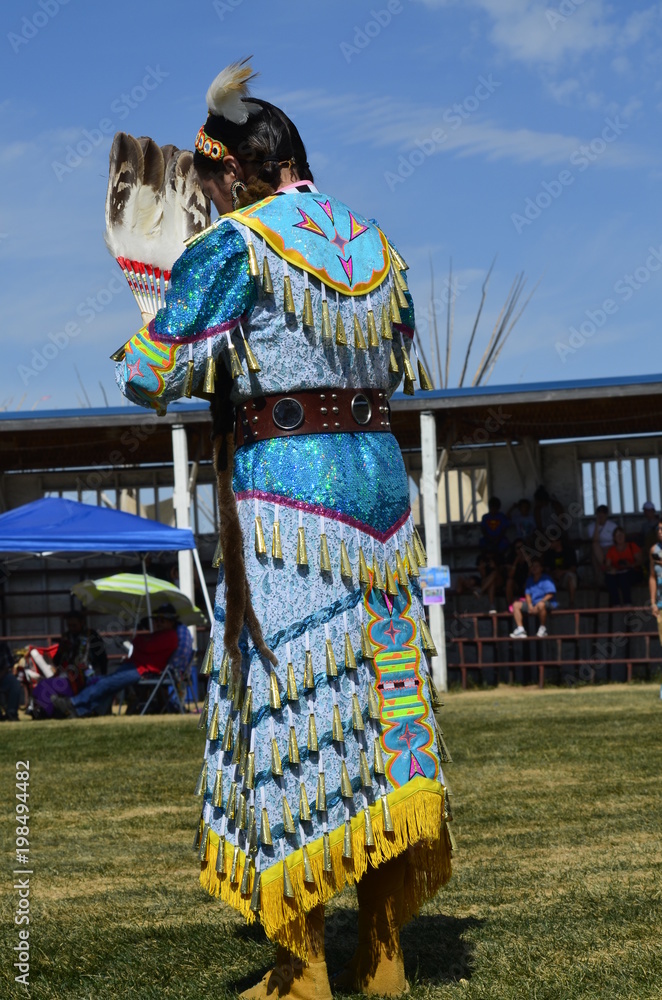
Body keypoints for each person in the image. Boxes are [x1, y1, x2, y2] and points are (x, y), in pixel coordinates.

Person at [110, 60, 451, 998]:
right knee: (387, 720)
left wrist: (152, 291)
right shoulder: (378, 245)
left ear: (234, 173)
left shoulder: (238, 244)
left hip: (286, 514)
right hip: (381, 509)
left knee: (285, 712)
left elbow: (150, 373)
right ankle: (385, 961)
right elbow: (394, 356)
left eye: (207, 181)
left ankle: (299, 974)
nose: (206, 197)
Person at [52, 604, 191, 717]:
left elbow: (146, 647)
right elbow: (142, 645)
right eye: (157, 620)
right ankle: (80, 711)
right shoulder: (159, 635)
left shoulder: (170, 636)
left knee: (106, 683)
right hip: (135, 666)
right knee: (104, 683)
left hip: (144, 670)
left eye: (162, 620)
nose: (158, 623)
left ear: (171, 622)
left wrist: (139, 640)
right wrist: (140, 641)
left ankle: (73, 703)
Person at [510, 557, 557, 638]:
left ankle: (543, 629)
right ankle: (521, 630)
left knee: (541, 605)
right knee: (516, 605)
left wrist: (539, 603)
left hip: (547, 603)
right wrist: (530, 605)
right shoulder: (529, 579)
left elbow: (550, 594)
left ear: (541, 568)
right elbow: (527, 595)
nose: (534, 568)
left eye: (537, 566)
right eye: (532, 566)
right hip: (533, 603)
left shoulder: (546, 578)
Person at [54, 611, 108, 676]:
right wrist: (61, 651)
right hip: (70, 672)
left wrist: (103, 674)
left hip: (89, 671)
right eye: (69, 625)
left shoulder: (91, 635)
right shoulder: (66, 637)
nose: (71, 628)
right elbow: (56, 661)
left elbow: (102, 657)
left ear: (82, 623)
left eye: (74, 625)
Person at [604, 527, 642, 607]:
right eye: (617, 535)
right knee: (609, 577)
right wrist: (612, 569)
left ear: (625, 536)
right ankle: (616, 603)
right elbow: (607, 565)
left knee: (623, 578)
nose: (620, 537)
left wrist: (630, 565)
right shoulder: (612, 550)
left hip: (633, 572)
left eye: (621, 535)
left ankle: (627, 603)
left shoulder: (632, 546)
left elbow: (640, 561)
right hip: (618, 573)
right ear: (614, 538)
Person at [586, 505, 619, 586]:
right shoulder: (591, 527)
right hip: (598, 549)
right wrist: (597, 525)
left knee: (595, 556)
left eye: (603, 513)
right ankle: (603, 568)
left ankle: (601, 574)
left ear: (606, 514)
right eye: (599, 513)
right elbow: (595, 540)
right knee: (594, 548)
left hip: (611, 549)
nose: (601, 515)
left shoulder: (613, 526)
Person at [542, 537, 577, 607]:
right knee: (546, 580)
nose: (549, 543)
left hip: (565, 577)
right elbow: (546, 569)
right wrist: (554, 574)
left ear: (559, 541)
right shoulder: (548, 553)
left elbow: (573, 568)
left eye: (551, 541)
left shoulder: (569, 551)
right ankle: (548, 606)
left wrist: (562, 572)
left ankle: (571, 603)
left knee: (571, 577)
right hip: (553, 579)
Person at [505, 538, 531, 608]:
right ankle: (510, 606)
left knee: (530, 581)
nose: (520, 550)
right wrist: (516, 562)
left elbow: (534, 572)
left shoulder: (530, 556)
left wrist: (528, 561)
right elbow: (510, 575)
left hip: (527, 581)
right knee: (509, 582)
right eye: (518, 548)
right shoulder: (511, 558)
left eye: (522, 547)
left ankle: (529, 604)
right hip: (516, 583)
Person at [648, 523, 662, 644]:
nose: (660, 531)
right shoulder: (654, 549)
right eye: (659, 529)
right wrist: (653, 603)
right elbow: (652, 577)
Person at [0, 641, 21, 722]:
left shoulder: (2, 645)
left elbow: (8, 665)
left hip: (2, 676)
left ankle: (11, 713)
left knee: (14, 682)